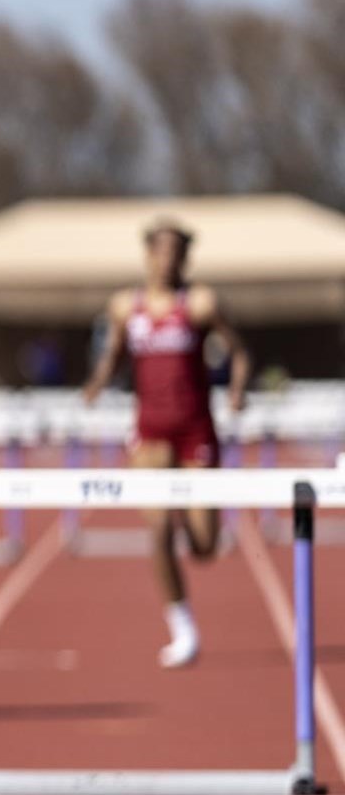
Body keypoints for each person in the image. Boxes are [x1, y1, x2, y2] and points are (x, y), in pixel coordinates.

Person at [82, 218, 249, 668]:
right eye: (160, 250)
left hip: (195, 430)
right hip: (151, 432)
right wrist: (97, 382)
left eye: (176, 252)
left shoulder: (199, 304)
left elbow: (240, 351)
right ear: (148, 255)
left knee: (204, 546)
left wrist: (237, 388)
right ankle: (183, 627)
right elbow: (114, 353)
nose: (167, 259)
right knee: (157, 530)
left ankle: (190, 526)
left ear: (186, 258)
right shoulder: (125, 307)